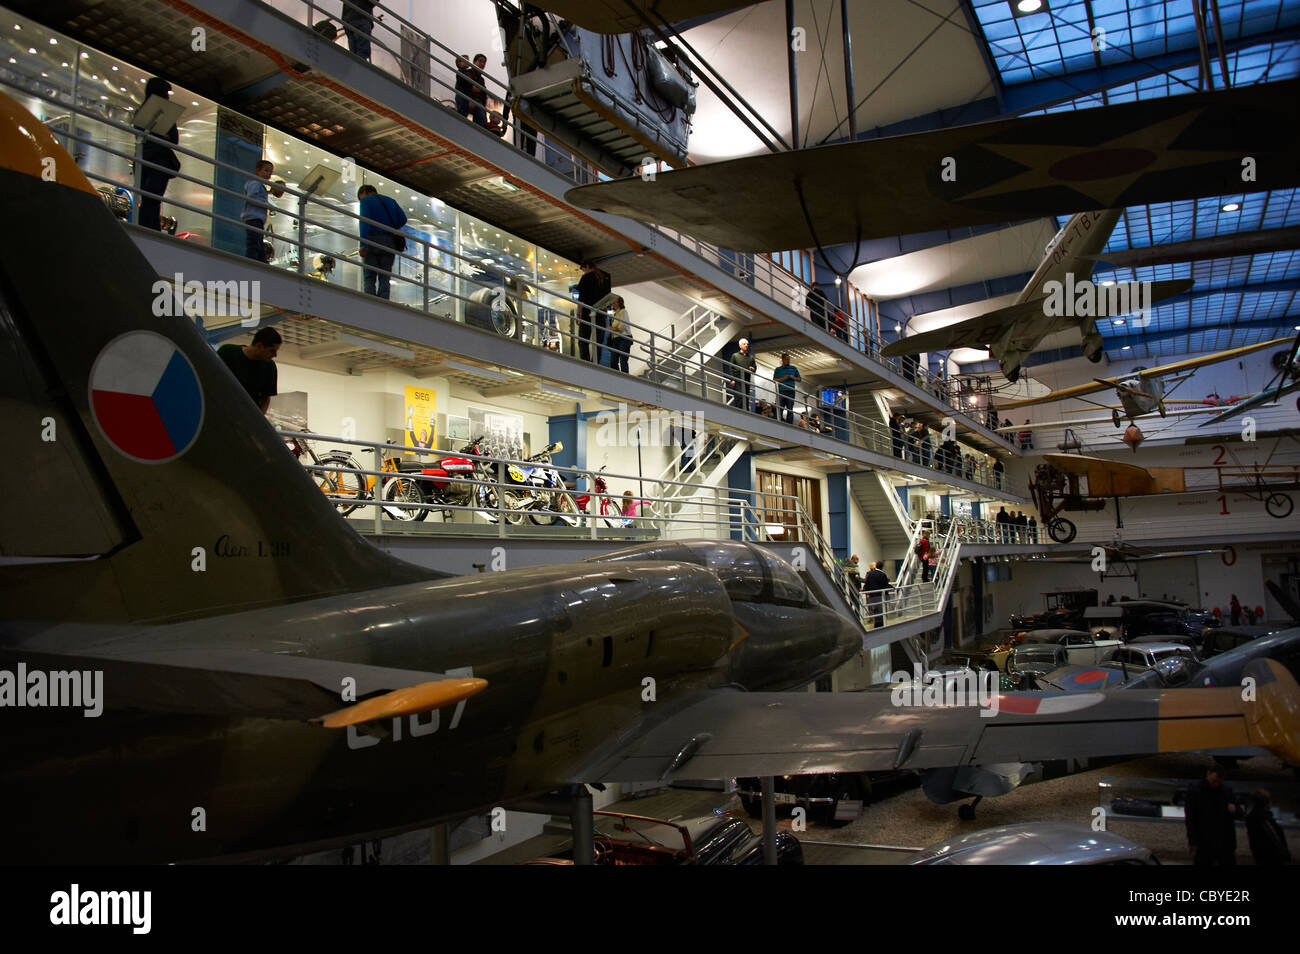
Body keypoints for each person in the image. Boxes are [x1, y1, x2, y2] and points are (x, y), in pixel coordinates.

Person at [136, 77, 181, 232]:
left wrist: (157, 135)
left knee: (150, 198)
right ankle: (150, 229)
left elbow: (173, 139)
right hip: (156, 160)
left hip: (144, 158)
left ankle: (147, 227)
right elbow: (172, 139)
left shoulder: (141, 112)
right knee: (152, 198)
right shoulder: (163, 115)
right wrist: (163, 136)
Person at [357, 184, 407, 300]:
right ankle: (383, 302)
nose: (361, 200)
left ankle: (370, 302)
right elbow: (403, 219)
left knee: (370, 276)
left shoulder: (365, 201)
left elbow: (364, 223)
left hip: (372, 240)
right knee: (385, 277)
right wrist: (390, 227)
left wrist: (363, 244)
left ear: (364, 192)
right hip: (389, 241)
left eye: (360, 197)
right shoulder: (391, 201)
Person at [217, 327, 281, 414]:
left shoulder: (270, 367)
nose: (275, 355)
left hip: (245, 417)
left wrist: (258, 420)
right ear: (260, 346)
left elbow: (265, 398)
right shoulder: (227, 352)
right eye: (272, 351)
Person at [1184, 766, 1238, 866]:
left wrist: (1235, 810)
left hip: (1223, 842)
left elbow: (1237, 814)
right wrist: (1193, 841)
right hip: (1205, 841)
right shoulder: (1196, 791)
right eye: (1214, 781)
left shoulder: (1226, 791)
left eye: (1218, 782)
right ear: (1208, 774)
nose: (1216, 784)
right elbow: (1190, 818)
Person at [241, 160, 284, 263]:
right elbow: (253, 197)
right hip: (253, 218)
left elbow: (258, 197)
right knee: (254, 243)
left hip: (257, 218)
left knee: (258, 243)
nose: (268, 174)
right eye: (266, 170)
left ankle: (261, 262)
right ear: (258, 170)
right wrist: (267, 205)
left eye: (270, 172)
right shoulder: (255, 183)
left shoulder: (259, 186)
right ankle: (253, 263)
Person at [1245, 790, 1291, 865]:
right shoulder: (1263, 818)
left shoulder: (1252, 816)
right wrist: (1285, 854)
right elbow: (1274, 838)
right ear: (1266, 802)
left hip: (1259, 855)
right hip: (1271, 856)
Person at [575, 261, 608, 363]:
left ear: (588, 266)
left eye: (583, 270)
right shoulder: (603, 278)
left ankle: (586, 362)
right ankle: (596, 362)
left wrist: (578, 313)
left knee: (583, 340)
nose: (584, 272)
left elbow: (581, 298)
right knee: (598, 341)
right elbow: (607, 298)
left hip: (588, 313)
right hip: (601, 313)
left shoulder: (586, 278)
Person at [605, 296, 633, 372]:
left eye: (615, 302)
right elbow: (607, 312)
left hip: (624, 338)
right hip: (616, 339)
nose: (613, 303)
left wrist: (613, 329)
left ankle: (624, 377)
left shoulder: (623, 311)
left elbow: (623, 325)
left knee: (623, 360)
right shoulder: (615, 313)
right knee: (613, 361)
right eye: (613, 302)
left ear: (620, 303)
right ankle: (617, 376)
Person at [728, 339, 757, 411]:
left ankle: (746, 413)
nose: (746, 345)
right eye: (744, 344)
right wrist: (732, 380)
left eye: (747, 344)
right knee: (739, 397)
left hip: (746, 380)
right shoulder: (735, 356)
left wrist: (753, 369)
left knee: (746, 397)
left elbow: (754, 367)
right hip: (737, 380)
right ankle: (739, 413)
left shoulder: (750, 357)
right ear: (740, 345)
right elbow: (731, 368)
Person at [773, 353, 801, 424]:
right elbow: (774, 380)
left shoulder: (793, 368)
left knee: (790, 409)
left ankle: (789, 424)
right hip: (781, 390)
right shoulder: (778, 369)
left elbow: (799, 379)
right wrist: (784, 378)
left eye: (789, 359)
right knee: (780, 408)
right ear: (782, 360)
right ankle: (778, 422)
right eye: (786, 359)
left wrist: (793, 377)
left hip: (790, 390)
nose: (788, 361)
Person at [863, 560, 891, 628]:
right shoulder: (883, 575)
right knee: (881, 613)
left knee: (875, 612)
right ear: (882, 567)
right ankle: (880, 626)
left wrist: (867, 593)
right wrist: (888, 596)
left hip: (872, 597)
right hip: (880, 597)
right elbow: (885, 586)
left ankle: (877, 625)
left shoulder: (870, 574)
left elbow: (867, 585)